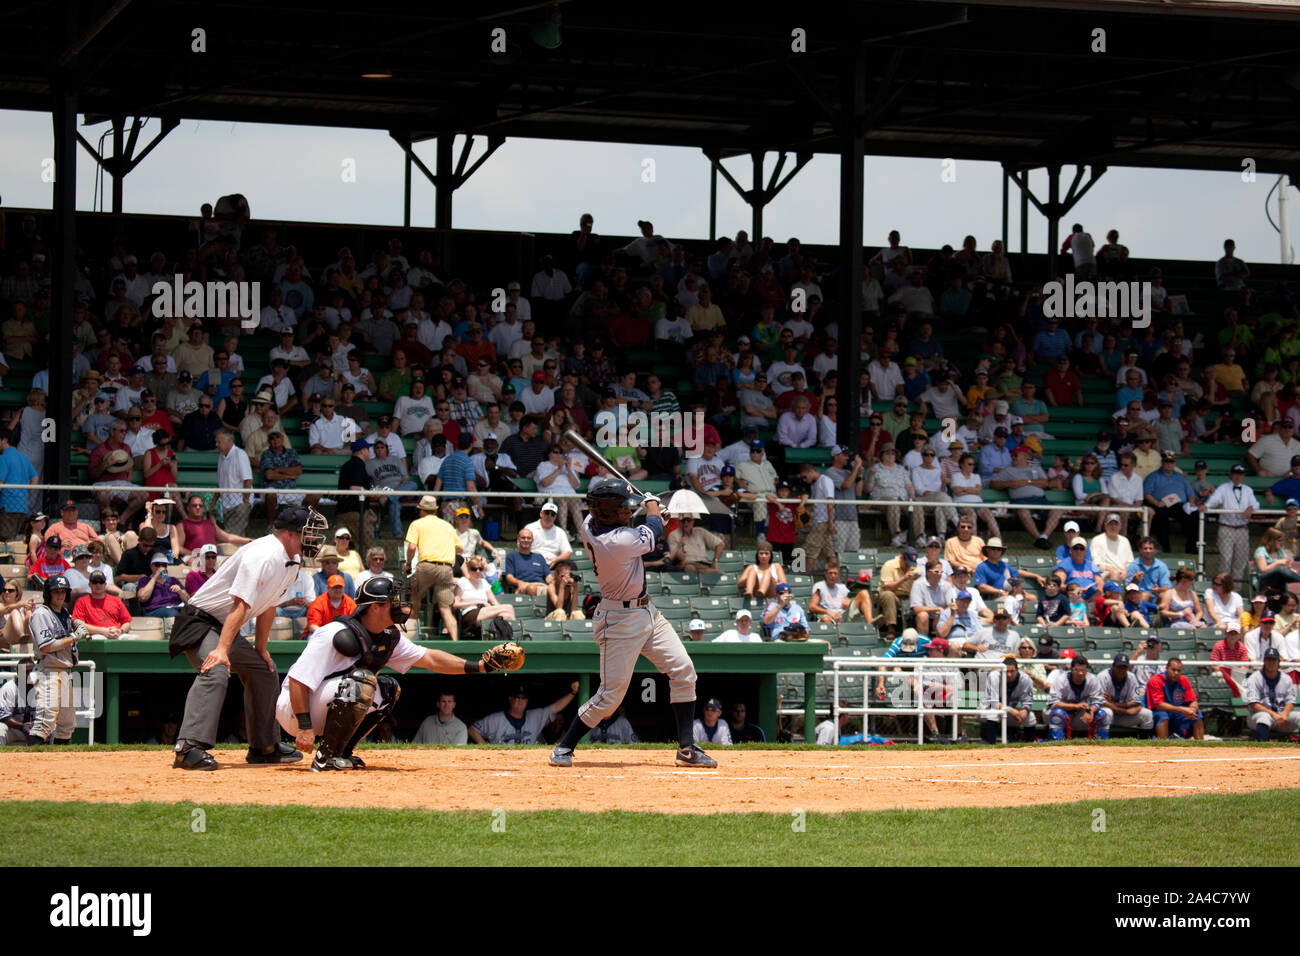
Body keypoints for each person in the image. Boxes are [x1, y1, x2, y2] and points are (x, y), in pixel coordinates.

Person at [547, 477, 716, 768]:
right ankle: (564, 747)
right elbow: (651, 534)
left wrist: (650, 513)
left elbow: (644, 525)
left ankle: (686, 749)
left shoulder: (591, 521)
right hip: (619, 620)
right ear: (609, 511)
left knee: (684, 671)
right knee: (610, 697)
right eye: (623, 507)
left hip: (646, 611)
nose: (628, 510)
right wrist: (652, 508)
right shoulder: (616, 541)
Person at [279, 577, 524, 769]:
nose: (399, 605)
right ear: (375, 607)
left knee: (387, 689)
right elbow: (298, 681)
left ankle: (341, 751)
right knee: (363, 681)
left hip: (325, 701)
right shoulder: (333, 633)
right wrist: (304, 727)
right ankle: (325, 757)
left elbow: (429, 659)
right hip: (294, 708)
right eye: (392, 601)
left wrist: (480, 666)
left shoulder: (387, 635)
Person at [168, 505, 330, 770]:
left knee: (263, 670)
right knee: (216, 669)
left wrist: (261, 648)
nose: (312, 539)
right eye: (306, 533)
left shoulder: (293, 560)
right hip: (199, 621)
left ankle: (264, 747)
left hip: (223, 625)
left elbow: (268, 604)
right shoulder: (263, 554)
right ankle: (188, 748)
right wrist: (221, 650)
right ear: (289, 534)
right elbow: (240, 606)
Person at [27, 575, 87, 745]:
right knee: (45, 721)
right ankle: (30, 764)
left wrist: (76, 626)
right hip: (49, 671)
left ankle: (59, 767)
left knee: (67, 724)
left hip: (65, 671)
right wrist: (74, 637)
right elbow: (46, 647)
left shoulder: (64, 614)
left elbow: (68, 631)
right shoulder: (41, 614)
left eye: (63, 592)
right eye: (56, 592)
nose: (60, 595)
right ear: (49, 594)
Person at [405, 494, 460, 639]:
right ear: (435, 510)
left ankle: (410, 636)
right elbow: (459, 549)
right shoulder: (448, 525)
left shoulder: (417, 524)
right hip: (446, 568)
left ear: (422, 510)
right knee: (446, 609)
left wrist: (408, 564)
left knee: (415, 595)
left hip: (427, 566)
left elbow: (411, 547)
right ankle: (456, 642)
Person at [471, 681, 578, 745]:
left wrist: (573, 693)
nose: (520, 701)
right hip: (501, 760)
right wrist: (485, 747)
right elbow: (472, 730)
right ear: (510, 699)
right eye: (517, 697)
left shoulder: (535, 716)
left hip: (526, 763)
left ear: (527, 701)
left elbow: (556, 707)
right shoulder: (495, 719)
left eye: (524, 698)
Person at [1047, 654, 1111, 740]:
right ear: (1071, 670)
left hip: (1082, 715)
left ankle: (1099, 743)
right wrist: (1076, 706)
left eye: (1083, 671)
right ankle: (1058, 744)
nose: (1080, 673)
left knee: (1103, 713)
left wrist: (1090, 711)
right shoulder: (1061, 679)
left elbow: (1098, 701)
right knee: (1057, 714)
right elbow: (1054, 703)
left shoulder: (1092, 679)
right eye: (1077, 670)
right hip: (1062, 713)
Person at [454, 555, 517, 638]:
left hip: (484, 611)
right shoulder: (463, 582)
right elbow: (455, 604)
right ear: (468, 569)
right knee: (508, 607)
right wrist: (477, 602)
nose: (477, 571)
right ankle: (515, 637)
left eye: (480, 569)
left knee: (506, 614)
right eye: (474, 569)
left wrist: (501, 612)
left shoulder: (483, 582)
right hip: (469, 614)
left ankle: (507, 639)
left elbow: (494, 601)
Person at [1244, 649, 1299, 740]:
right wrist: (1274, 715)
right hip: (1258, 716)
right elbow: (1254, 704)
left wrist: (1285, 714)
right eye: (1268, 659)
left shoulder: (1286, 679)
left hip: (1281, 717)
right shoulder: (1254, 678)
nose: (1271, 662)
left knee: (1298, 716)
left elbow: (1290, 701)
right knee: (1264, 717)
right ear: (1264, 661)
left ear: (1278, 662)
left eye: (1274, 660)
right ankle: (1263, 747)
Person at [980, 655, 1037, 743]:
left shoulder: (1025, 678)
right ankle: (990, 745)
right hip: (987, 710)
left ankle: (1031, 745)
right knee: (992, 713)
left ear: (1017, 670)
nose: (1009, 674)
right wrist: (1010, 710)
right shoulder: (994, 676)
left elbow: (1027, 700)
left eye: (1012, 671)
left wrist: (1024, 711)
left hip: (1009, 711)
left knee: (1030, 717)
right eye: (1006, 671)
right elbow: (993, 703)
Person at [1145, 657, 1205, 740]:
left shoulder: (1184, 680)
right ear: (1166, 668)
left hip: (1176, 713)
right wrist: (1181, 709)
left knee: (1197, 715)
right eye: (1173, 670)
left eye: (1178, 671)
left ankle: (1200, 744)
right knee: (1162, 715)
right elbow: (1158, 705)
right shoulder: (1156, 680)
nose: (1176, 673)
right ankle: (1163, 744)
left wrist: (1192, 709)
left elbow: (1193, 701)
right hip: (1156, 713)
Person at [1097, 653, 1154, 736]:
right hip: (1111, 715)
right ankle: (1102, 740)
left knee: (1147, 714)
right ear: (1113, 666)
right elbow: (1101, 703)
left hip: (1123, 717)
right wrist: (1126, 710)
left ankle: (1145, 743)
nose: (1121, 670)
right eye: (1119, 667)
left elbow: (1136, 702)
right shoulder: (1103, 677)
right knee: (1106, 712)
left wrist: (1112, 704)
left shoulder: (1132, 677)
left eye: (1124, 667)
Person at [523, 501, 573, 568]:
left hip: (553, 562)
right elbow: (522, 547)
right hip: (533, 560)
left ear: (555, 517)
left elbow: (568, 552)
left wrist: (556, 560)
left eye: (553, 514)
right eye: (547, 513)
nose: (549, 516)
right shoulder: (529, 528)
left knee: (571, 565)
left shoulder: (560, 532)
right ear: (541, 514)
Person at [1211, 623, 1251, 697]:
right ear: (1225, 634)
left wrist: (1235, 672)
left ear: (1239, 636)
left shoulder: (1242, 647)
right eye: (1230, 633)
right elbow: (1214, 665)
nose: (1233, 636)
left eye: (1235, 633)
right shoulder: (1218, 646)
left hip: (1237, 673)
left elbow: (1245, 666)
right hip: (1222, 673)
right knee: (1217, 674)